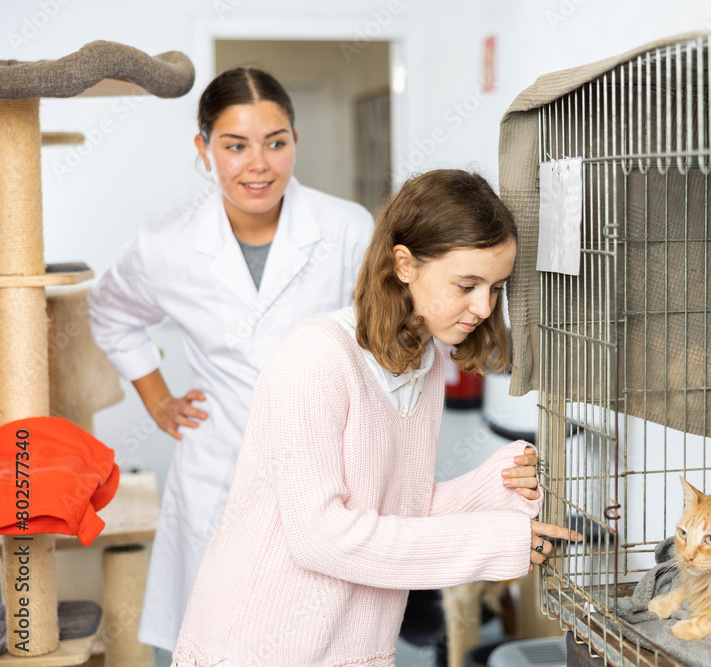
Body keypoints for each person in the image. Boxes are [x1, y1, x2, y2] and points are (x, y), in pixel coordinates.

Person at [170, 170, 581, 667]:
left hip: (354, 646)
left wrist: (497, 481)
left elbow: (395, 507)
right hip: (258, 646)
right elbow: (322, 537)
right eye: (468, 285)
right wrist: (492, 539)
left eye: (495, 288)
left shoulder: (424, 364)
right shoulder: (315, 357)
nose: (484, 307)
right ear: (404, 264)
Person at [88, 67, 374, 652]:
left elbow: (380, 339)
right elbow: (111, 311)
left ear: (296, 140)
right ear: (203, 149)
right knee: (218, 637)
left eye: (276, 142)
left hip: (323, 460)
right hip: (219, 462)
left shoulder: (345, 228)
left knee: (316, 638)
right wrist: (159, 400)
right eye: (235, 145)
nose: (258, 165)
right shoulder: (163, 242)